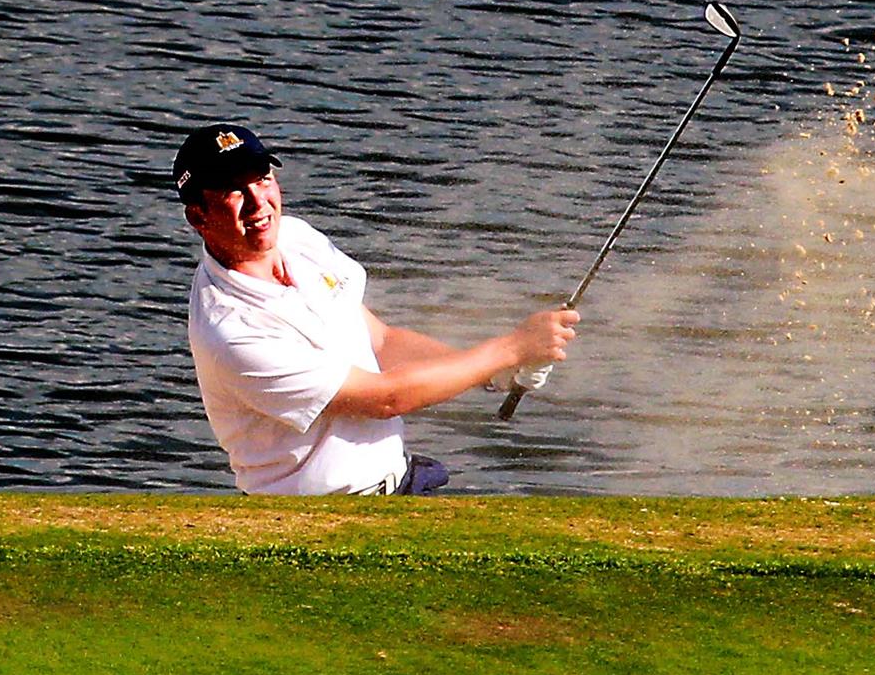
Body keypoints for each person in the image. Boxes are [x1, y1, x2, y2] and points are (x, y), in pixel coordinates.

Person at [173, 122, 579, 495]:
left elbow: (381, 341)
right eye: (232, 190)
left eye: (263, 179)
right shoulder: (231, 329)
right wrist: (509, 349)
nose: (258, 202)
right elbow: (385, 398)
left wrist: (492, 373)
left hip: (398, 482)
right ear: (198, 215)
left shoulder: (296, 238)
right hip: (316, 521)